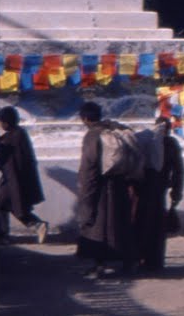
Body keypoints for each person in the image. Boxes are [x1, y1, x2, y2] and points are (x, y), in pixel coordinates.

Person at [76, 101, 135, 279]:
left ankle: (98, 265)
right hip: (119, 185)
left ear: (85, 118)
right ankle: (127, 263)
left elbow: (90, 167)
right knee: (118, 225)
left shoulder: (92, 136)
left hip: (100, 188)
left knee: (97, 227)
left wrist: (86, 192)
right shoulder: (113, 130)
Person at [133, 117, 184, 274]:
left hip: (141, 189)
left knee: (141, 224)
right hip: (160, 190)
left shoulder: (145, 141)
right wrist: (177, 192)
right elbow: (178, 170)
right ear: (169, 129)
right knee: (157, 228)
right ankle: (155, 261)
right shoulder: (171, 144)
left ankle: (139, 258)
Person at [0, 106, 49, 244]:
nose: (0, 125)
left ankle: (4, 235)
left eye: (1, 122)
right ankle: (36, 225)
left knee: (3, 204)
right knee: (10, 205)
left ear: (6, 122)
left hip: (14, 179)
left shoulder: (14, 136)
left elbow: (7, 156)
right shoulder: (18, 134)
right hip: (15, 178)